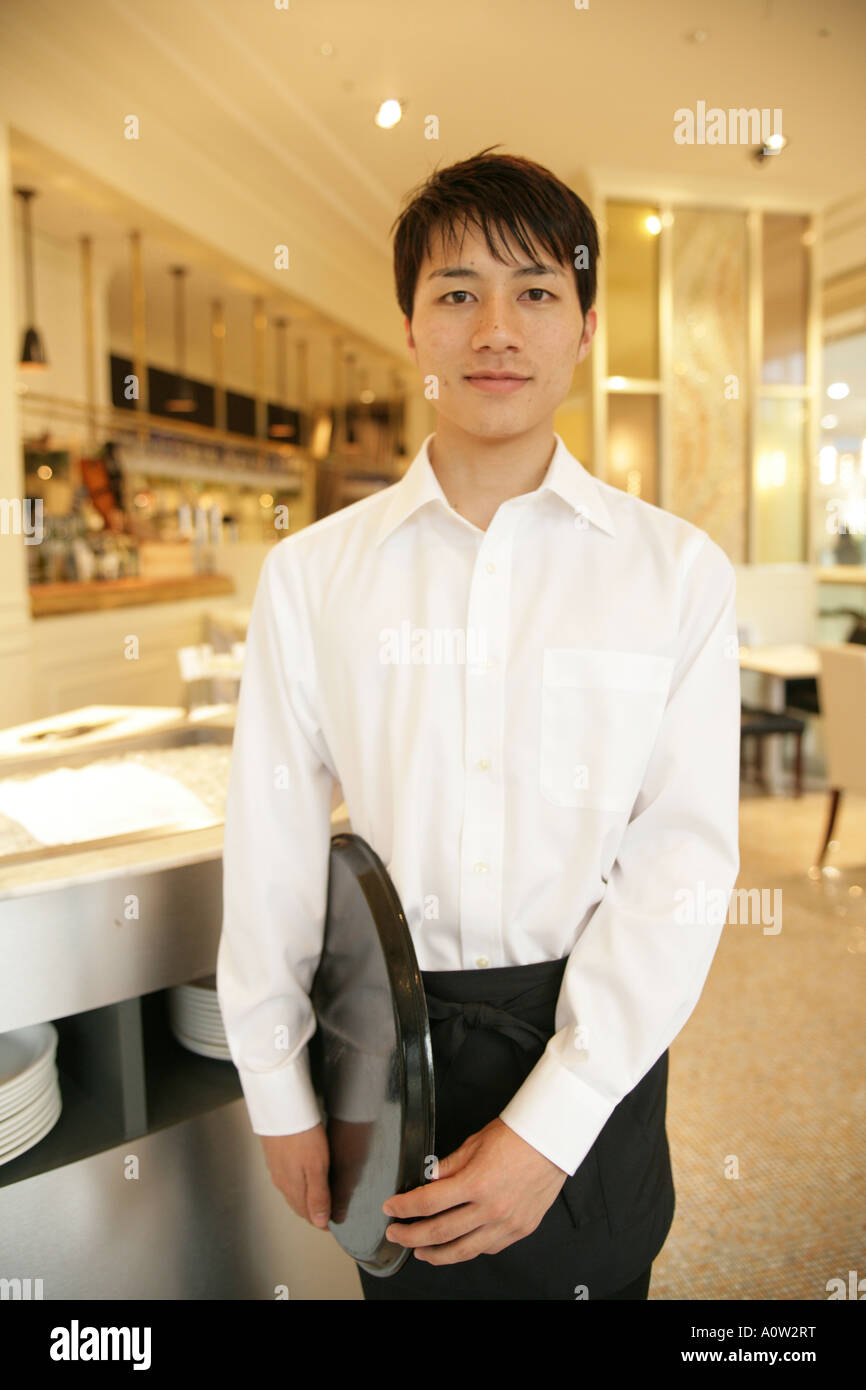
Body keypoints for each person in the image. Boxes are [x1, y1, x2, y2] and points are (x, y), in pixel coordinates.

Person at [216, 146, 741, 1301]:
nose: (495, 327)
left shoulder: (674, 574)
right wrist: (276, 1088)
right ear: (412, 329)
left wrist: (553, 1121)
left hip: (591, 1048)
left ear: (584, 325)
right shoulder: (312, 577)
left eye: (534, 291)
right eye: (456, 292)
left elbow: (679, 864)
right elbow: (271, 849)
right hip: (384, 1047)